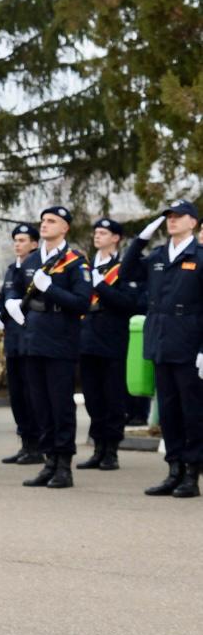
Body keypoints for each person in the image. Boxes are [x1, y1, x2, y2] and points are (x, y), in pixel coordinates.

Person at [119, 199, 203, 498]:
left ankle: (192, 473)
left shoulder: (200, 256)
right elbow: (126, 273)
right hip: (161, 342)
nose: (172, 221)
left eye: (179, 216)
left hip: (189, 345)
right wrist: (140, 238)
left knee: (191, 411)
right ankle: (173, 470)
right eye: (169, 216)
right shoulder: (157, 255)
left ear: (193, 222)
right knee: (168, 411)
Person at [4, 206, 92, 489]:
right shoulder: (31, 261)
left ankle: (64, 464)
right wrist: (9, 303)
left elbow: (82, 302)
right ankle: (48, 461)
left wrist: (50, 288)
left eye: (52, 221)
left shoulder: (75, 262)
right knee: (39, 405)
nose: (45, 225)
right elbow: (14, 289)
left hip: (59, 341)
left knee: (60, 405)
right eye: (43, 221)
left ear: (65, 228)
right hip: (31, 340)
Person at [77, 218, 139, 470]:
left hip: (112, 338)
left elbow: (128, 302)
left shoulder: (123, 268)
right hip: (87, 338)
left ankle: (111, 449)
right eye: (96, 232)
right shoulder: (87, 266)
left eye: (103, 233)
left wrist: (100, 284)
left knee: (112, 397)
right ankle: (98, 446)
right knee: (92, 398)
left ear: (116, 238)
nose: (97, 236)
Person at [0, 224, 42, 465]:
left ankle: (37, 445)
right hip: (13, 341)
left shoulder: (38, 267)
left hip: (32, 341)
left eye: (22, 240)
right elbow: (2, 299)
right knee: (18, 396)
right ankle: (26, 443)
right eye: (15, 240)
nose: (17, 244)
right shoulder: (12, 270)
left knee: (33, 396)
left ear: (34, 243)